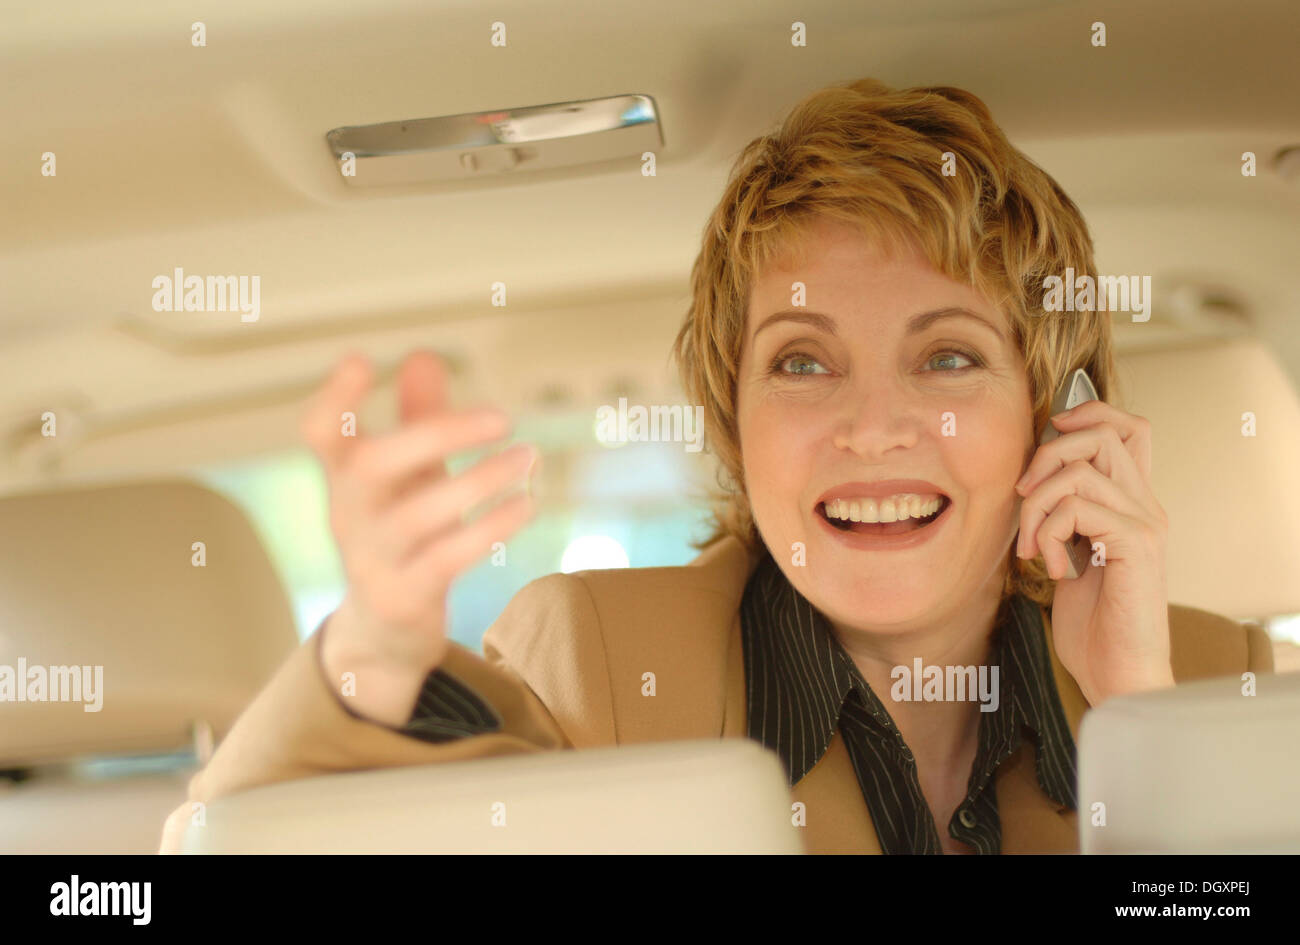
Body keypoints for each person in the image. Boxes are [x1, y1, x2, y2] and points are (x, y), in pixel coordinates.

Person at [159, 78, 1273, 855]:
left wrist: (1137, 717)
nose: (873, 426)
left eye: (946, 356)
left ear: (1054, 414)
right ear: (733, 427)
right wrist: (372, 649)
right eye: (801, 362)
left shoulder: (1210, 680)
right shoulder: (599, 669)